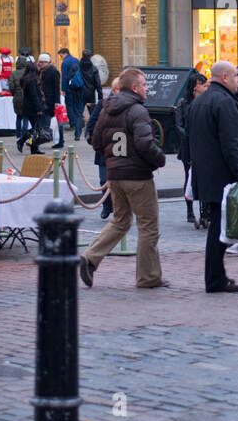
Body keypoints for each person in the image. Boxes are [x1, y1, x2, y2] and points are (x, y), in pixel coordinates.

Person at [81, 68, 169, 289]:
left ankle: (90, 257)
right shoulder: (138, 111)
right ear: (135, 88)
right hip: (137, 176)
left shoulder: (107, 108)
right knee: (148, 225)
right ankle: (148, 277)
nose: (147, 88)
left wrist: (112, 157)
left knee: (120, 221)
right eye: (144, 84)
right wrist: (159, 159)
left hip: (114, 174)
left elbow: (96, 140)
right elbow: (145, 144)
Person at [186, 61, 238, 293]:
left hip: (205, 174)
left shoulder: (199, 101)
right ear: (224, 77)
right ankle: (214, 279)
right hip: (222, 176)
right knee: (219, 229)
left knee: (217, 225)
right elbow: (232, 144)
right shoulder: (224, 103)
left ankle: (217, 276)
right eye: (235, 76)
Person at [85, 77, 119, 220]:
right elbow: (91, 124)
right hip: (104, 149)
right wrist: (94, 141)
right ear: (113, 90)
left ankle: (119, 208)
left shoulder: (129, 106)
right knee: (103, 180)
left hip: (119, 149)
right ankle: (107, 206)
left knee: (119, 181)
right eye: (118, 90)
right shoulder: (102, 104)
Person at [177, 70, 208, 227]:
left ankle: (205, 211)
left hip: (203, 144)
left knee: (206, 177)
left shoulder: (207, 101)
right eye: (201, 84)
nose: (204, 86)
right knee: (189, 177)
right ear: (194, 87)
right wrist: (189, 135)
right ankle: (190, 210)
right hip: (188, 145)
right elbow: (179, 125)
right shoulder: (184, 102)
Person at [37, 52, 64, 150]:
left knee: (57, 121)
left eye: (43, 62)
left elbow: (57, 87)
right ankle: (50, 138)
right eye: (40, 62)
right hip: (45, 99)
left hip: (51, 100)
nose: (41, 64)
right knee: (51, 121)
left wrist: (57, 101)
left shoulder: (53, 71)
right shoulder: (42, 71)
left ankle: (59, 140)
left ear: (48, 62)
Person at [16, 59, 43, 155]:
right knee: (36, 129)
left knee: (36, 129)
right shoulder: (31, 80)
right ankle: (23, 141)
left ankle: (33, 147)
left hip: (28, 106)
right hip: (32, 107)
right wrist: (38, 108)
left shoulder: (26, 79)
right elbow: (34, 95)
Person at [59, 48, 85, 140]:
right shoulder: (76, 60)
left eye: (61, 55)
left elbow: (64, 76)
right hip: (78, 86)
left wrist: (63, 89)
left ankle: (73, 123)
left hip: (69, 87)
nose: (61, 57)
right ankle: (78, 122)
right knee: (77, 106)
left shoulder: (65, 63)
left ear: (64, 54)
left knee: (69, 105)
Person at [78, 50, 103, 125]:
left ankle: (77, 133)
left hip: (80, 91)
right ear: (90, 57)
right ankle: (93, 128)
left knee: (79, 113)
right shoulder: (94, 68)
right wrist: (100, 97)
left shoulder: (77, 67)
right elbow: (98, 83)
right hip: (90, 93)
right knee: (92, 113)